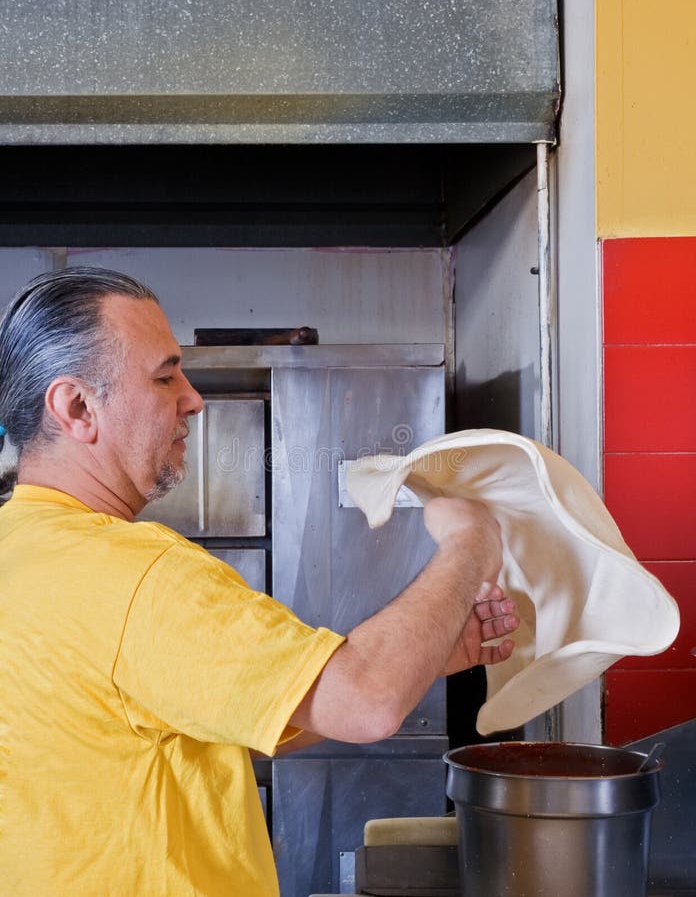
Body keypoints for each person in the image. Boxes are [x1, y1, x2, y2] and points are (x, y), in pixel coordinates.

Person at [0, 267, 518, 896]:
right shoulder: (137, 576)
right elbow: (367, 700)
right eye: (165, 376)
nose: (193, 398)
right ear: (78, 407)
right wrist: (472, 543)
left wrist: (425, 656)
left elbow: (169, 730)